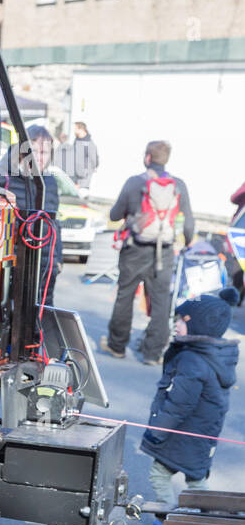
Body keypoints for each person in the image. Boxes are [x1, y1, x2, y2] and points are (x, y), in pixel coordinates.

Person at [140, 287, 240, 500]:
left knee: (162, 475)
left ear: (199, 325)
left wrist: (157, 432)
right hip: (201, 433)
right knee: (196, 481)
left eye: (183, 320)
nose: (176, 324)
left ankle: (170, 524)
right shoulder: (212, 355)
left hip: (183, 433)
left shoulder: (192, 360)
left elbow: (179, 404)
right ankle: (204, 522)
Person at [104, 140, 194, 364]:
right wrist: (187, 242)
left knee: (125, 296)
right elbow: (189, 223)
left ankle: (117, 346)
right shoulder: (178, 185)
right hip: (163, 252)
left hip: (134, 249)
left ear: (147, 158)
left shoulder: (135, 182)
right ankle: (152, 354)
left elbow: (115, 215)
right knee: (161, 301)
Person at [0, 125, 64, 306]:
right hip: (10, 266)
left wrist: (58, 259)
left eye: (44, 152)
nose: (39, 157)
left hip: (43, 267)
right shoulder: (1, 177)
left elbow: (54, 223)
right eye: (34, 150)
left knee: (40, 321)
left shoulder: (50, 182)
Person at [68, 121, 100, 190]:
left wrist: (82, 182)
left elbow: (94, 161)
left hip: (83, 181)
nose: (74, 131)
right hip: (74, 177)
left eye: (75, 129)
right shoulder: (76, 140)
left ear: (81, 129)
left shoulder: (89, 143)